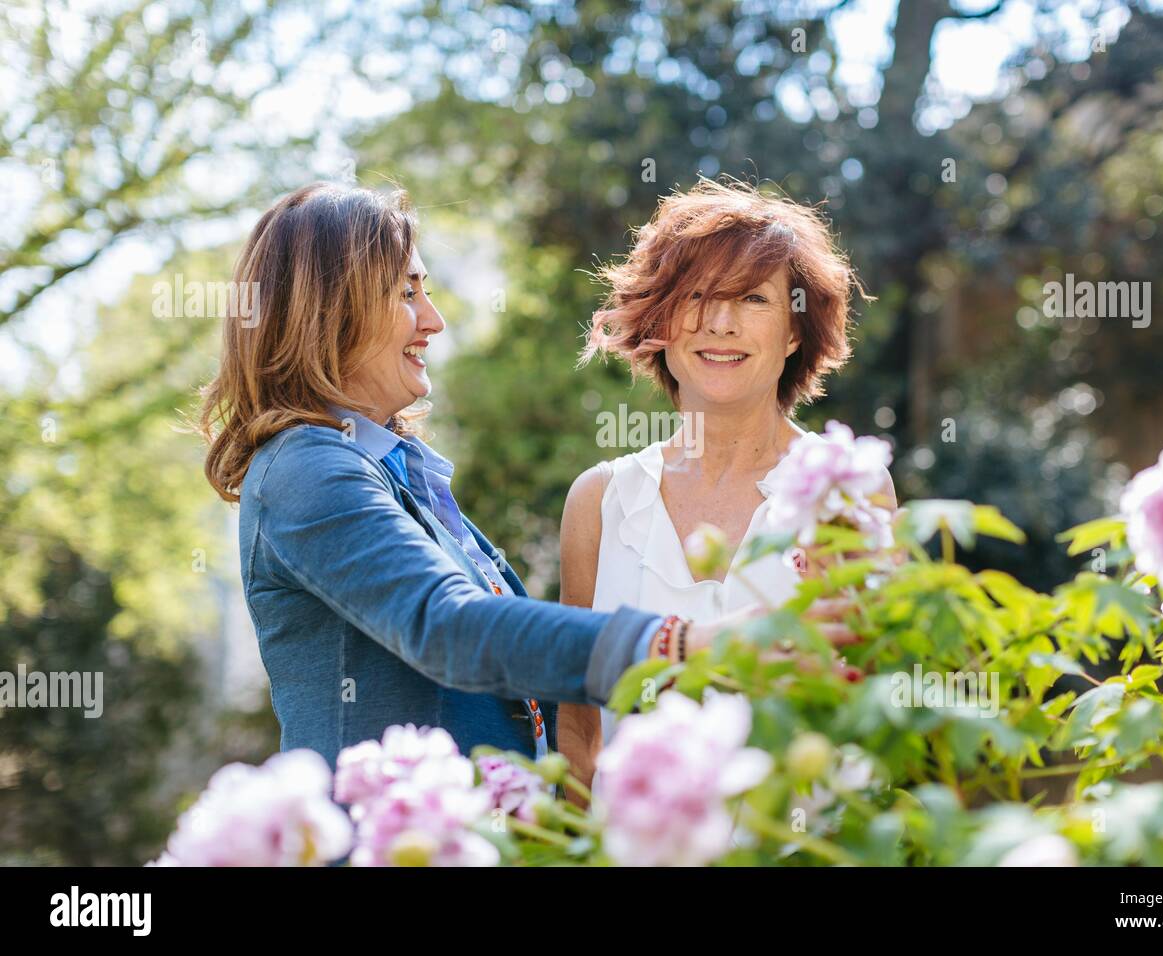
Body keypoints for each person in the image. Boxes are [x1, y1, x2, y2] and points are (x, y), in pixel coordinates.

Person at [198, 182, 858, 770]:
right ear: (329, 310)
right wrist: (689, 640)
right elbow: (451, 629)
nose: (434, 321)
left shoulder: (391, 470)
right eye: (407, 293)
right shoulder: (308, 470)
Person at [558, 179, 896, 788]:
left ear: (795, 333)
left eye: (752, 300)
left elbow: (873, 704)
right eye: (695, 296)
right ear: (661, 320)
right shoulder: (599, 502)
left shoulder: (850, 491)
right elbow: (580, 729)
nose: (720, 323)